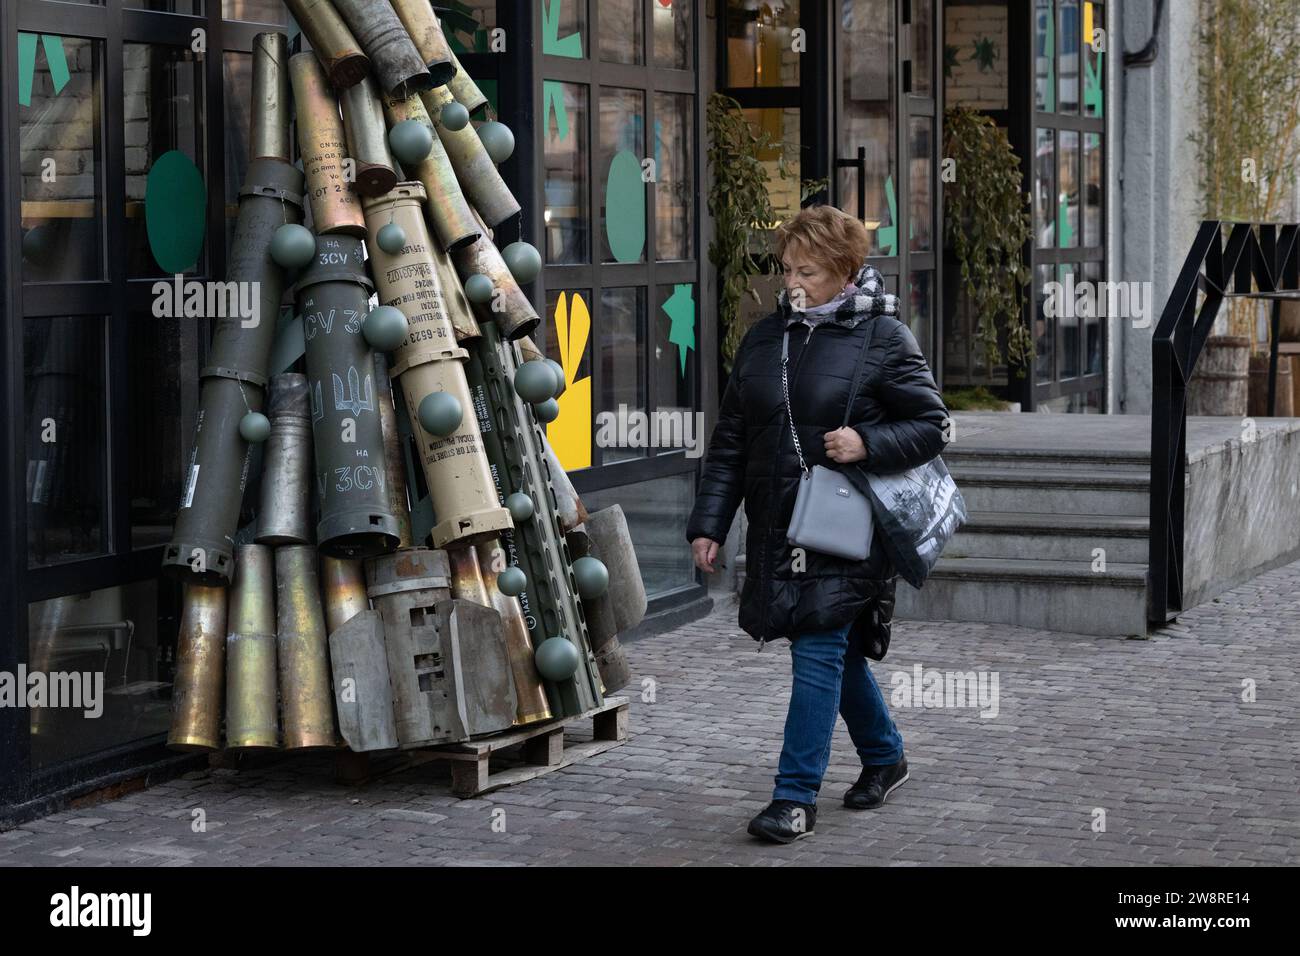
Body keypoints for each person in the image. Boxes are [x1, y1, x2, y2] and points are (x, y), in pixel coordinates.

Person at [685, 205, 949, 844]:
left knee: (817, 647)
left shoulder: (884, 338)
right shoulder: (764, 338)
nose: (793, 284)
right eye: (786, 270)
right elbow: (730, 441)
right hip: (779, 526)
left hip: (847, 526)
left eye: (808, 271)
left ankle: (793, 797)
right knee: (835, 649)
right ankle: (885, 755)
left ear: (846, 271)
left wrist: (867, 442)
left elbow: (933, 425)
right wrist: (710, 522)